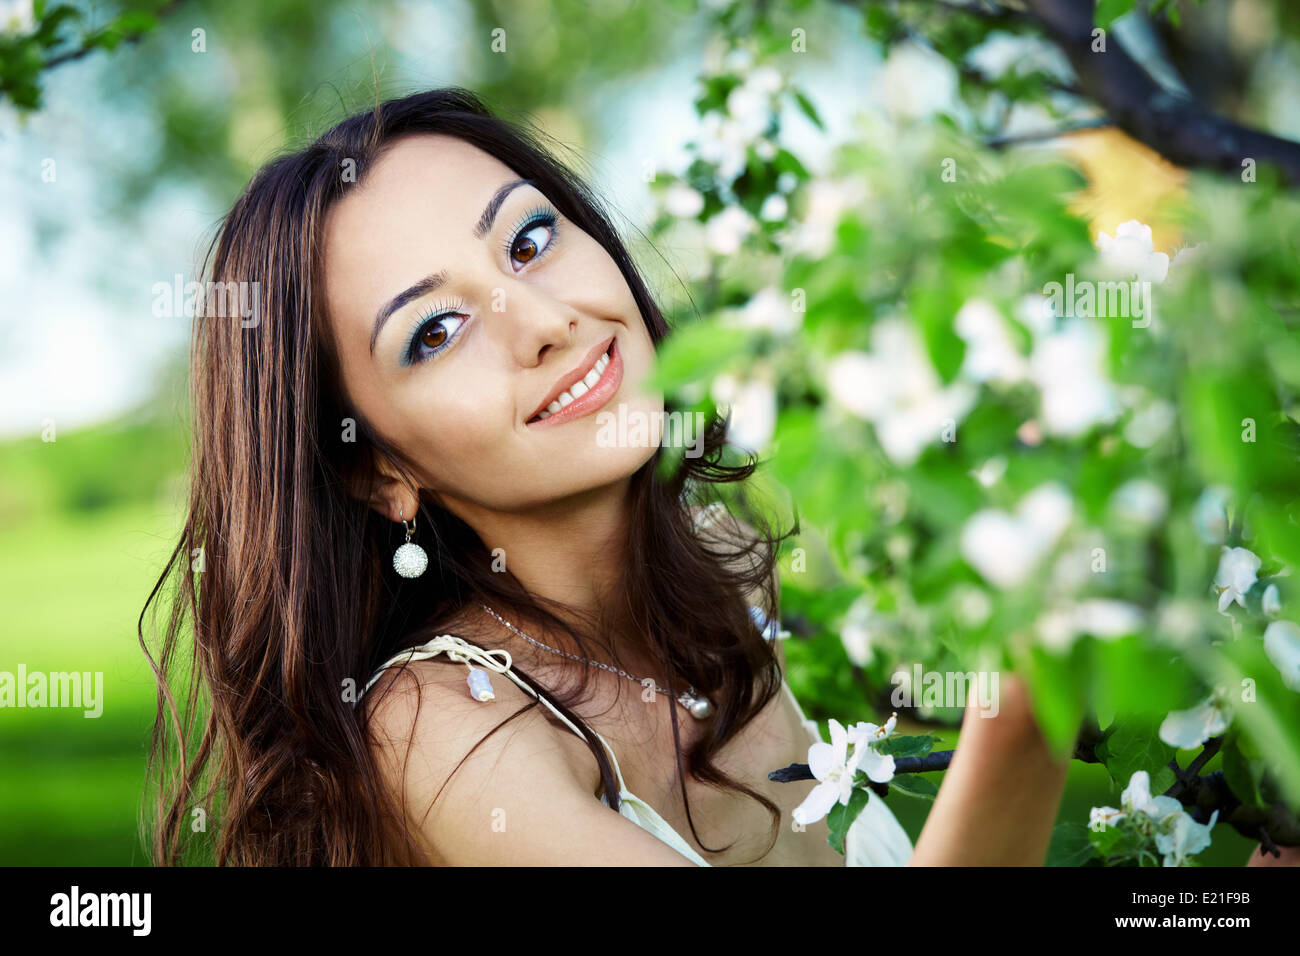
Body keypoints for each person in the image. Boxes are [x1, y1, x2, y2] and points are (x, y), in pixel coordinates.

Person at [142, 86, 1103, 867]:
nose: (544, 320)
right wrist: (1026, 704)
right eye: (435, 332)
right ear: (376, 469)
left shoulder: (722, 559)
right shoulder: (441, 732)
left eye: (529, 240)